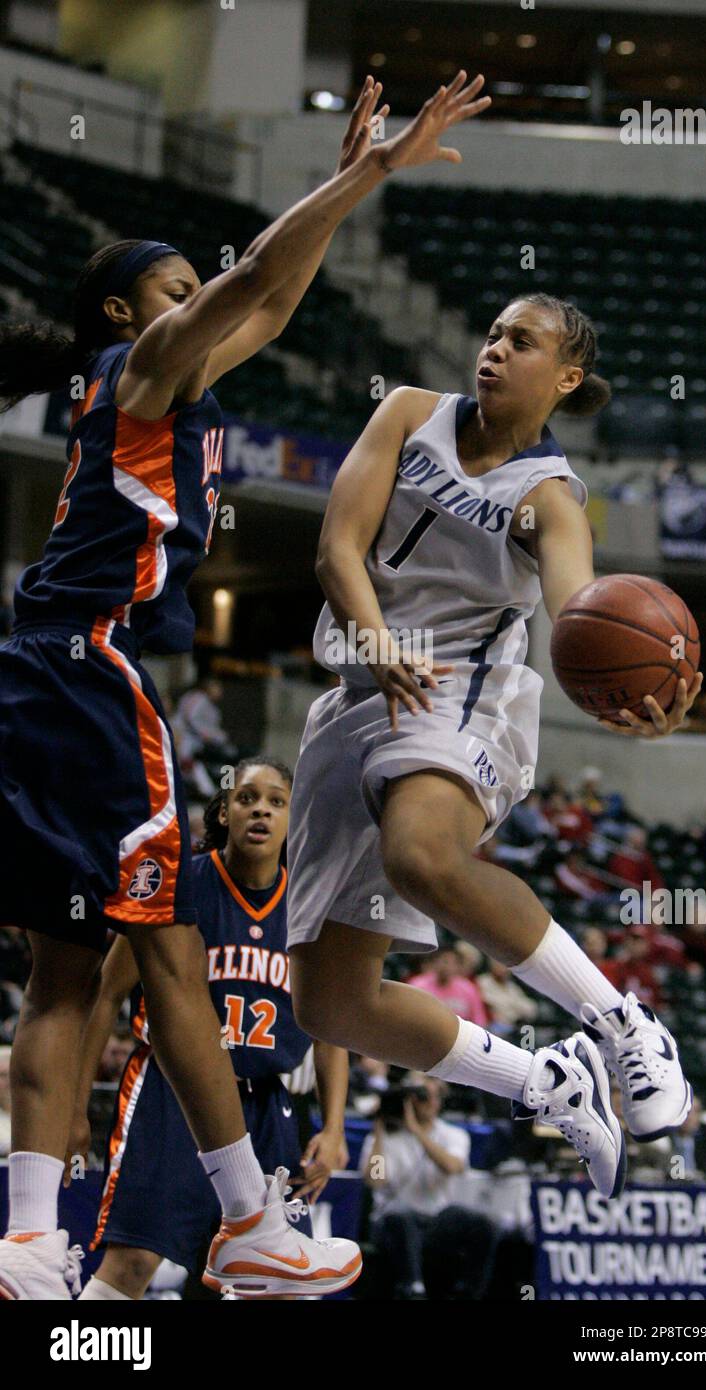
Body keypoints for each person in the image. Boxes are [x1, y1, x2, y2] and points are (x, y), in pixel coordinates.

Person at [0, 71, 492, 1300]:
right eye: (176, 289)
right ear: (127, 307)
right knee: (162, 950)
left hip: (45, 670)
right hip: (91, 672)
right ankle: (244, 1221)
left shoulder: (172, 381)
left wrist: (345, 188)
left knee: (66, 962)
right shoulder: (138, 363)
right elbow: (251, 281)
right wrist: (364, 174)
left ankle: (22, 1242)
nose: (196, 305)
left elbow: (270, 299)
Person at [285, 290, 704, 1198]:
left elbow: (578, 616)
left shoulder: (548, 501)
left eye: (523, 342)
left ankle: (624, 1024)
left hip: (457, 697)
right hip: (356, 691)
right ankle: (541, 1080)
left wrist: (629, 698)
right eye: (492, 335)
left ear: (566, 377)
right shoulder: (406, 413)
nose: (494, 351)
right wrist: (376, 645)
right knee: (329, 1004)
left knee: (421, 855)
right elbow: (336, 550)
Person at [69, 757, 349, 1301]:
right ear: (223, 811)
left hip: (267, 1105)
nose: (261, 810)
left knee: (276, 1283)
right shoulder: (180, 888)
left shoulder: (310, 906)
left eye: (276, 801)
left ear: (294, 820)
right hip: (172, 1096)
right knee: (133, 1261)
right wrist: (75, 1107)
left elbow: (329, 1024)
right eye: (247, 798)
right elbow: (104, 995)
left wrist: (334, 1126)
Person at [360, 1074, 470, 1298]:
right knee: (402, 1216)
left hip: (435, 1222)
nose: (428, 1102)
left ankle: (470, 1292)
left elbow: (452, 1166)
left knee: (483, 1223)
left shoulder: (453, 1134)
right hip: (392, 1223)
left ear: (440, 1101)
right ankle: (414, 1289)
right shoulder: (382, 1139)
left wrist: (416, 1130)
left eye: (432, 1096)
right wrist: (380, 1127)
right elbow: (375, 1180)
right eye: (421, 1096)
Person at [408, 947, 488, 1027]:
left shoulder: (468, 988)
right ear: (435, 962)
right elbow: (410, 1014)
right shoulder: (418, 984)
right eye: (444, 961)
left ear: (458, 966)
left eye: (451, 963)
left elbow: (479, 1020)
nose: (446, 966)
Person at [476, 958, 537, 1034]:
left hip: (515, 1027)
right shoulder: (483, 982)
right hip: (492, 1027)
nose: (504, 970)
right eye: (500, 966)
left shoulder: (511, 987)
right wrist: (515, 1007)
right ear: (492, 967)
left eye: (506, 967)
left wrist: (512, 1006)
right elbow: (495, 1005)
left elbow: (531, 1009)